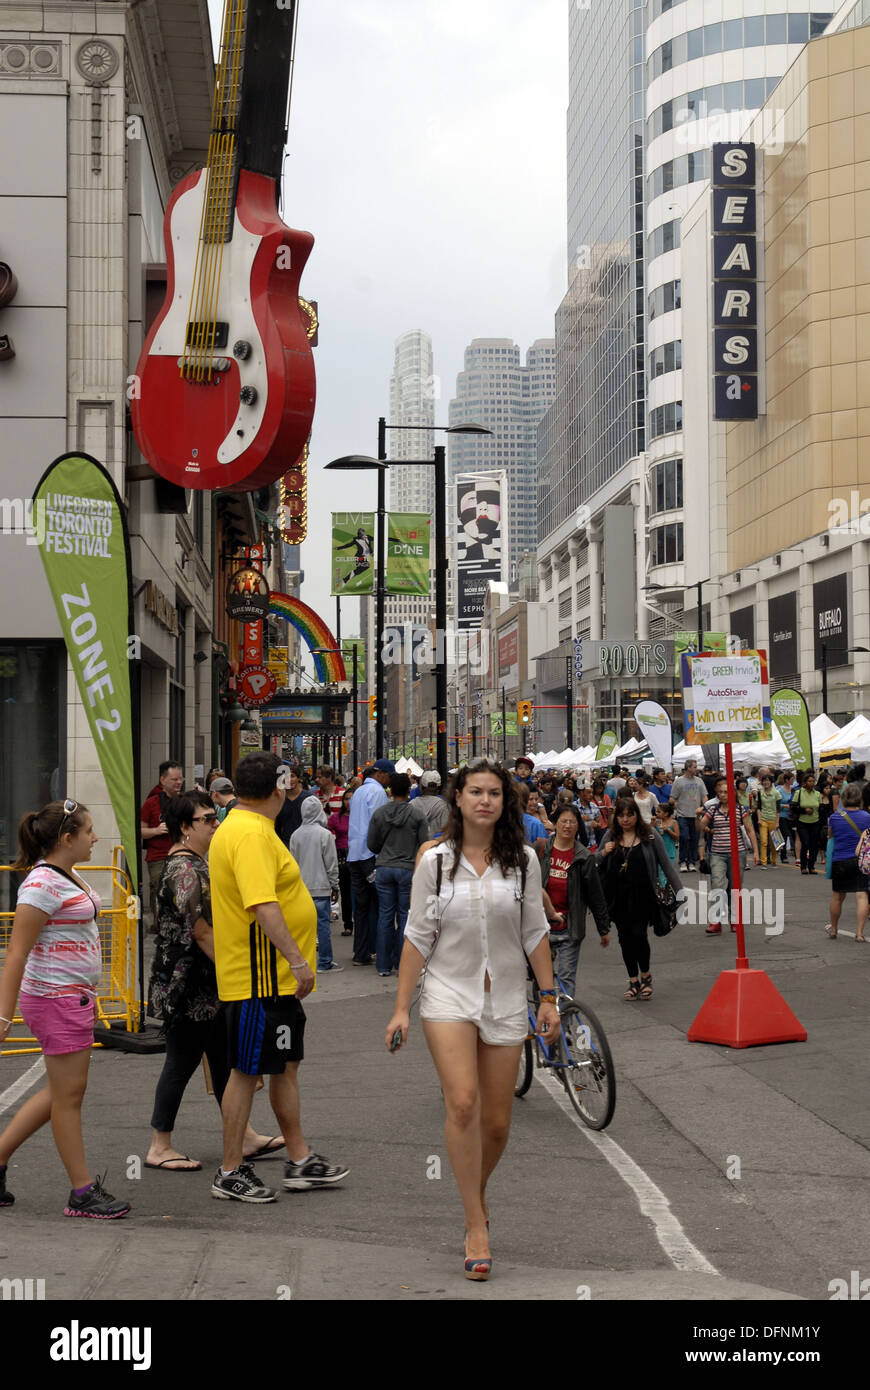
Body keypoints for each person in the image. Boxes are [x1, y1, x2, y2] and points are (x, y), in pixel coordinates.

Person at [386, 758, 559, 1281]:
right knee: (463, 1102)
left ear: (505, 803)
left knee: (497, 1124)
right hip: (447, 995)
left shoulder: (524, 861)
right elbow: (417, 936)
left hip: (505, 997)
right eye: (475, 792)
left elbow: (534, 931)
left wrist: (547, 996)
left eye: (494, 793)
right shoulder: (434, 862)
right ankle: (475, 1221)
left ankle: (473, 1194)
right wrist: (400, 1008)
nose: (485, 800)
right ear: (457, 799)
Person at [208, 751, 349, 1203]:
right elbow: (262, 904)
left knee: (285, 1066)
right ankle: (231, 1169)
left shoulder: (250, 827)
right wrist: (298, 959)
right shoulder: (249, 832)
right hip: (259, 977)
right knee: (247, 1072)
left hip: (270, 978)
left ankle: (299, 1159)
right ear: (279, 787)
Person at [0, 800, 130, 1218]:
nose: (95, 838)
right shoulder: (41, 885)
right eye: (89, 831)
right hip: (54, 998)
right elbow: (16, 952)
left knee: (60, 1093)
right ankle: (81, 1191)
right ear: (67, 838)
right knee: (69, 1097)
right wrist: (3, 1016)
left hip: (70, 997)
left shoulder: (65, 874)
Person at [146, 792, 285, 1170]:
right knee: (182, 1062)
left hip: (204, 980)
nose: (216, 823)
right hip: (190, 982)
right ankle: (160, 1145)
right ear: (185, 827)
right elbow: (202, 932)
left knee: (224, 1061)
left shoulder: (193, 863)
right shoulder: (184, 870)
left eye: (215, 816)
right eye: (207, 819)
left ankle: (245, 1136)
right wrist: (234, 970)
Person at [598, 797, 682, 1000]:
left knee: (639, 935)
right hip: (617, 898)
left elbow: (665, 864)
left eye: (630, 815)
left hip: (643, 896)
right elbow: (595, 863)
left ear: (637, 815)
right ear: (616, 817)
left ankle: (646, 975)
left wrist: (680, 892)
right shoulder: (610, 835)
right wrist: (603, 852)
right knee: (624, 939)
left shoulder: (650, 835)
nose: (625, 819)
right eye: (621, 815)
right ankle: (633, 980)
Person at [539, 804, 611, 1000]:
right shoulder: (543, 849)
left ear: (578, 826)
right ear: (555, 824)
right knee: (541, 982)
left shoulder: (583, 857)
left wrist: (603, 929)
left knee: (566, 979)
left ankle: (565, 1028)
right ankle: (544, 1026)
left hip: (569, 927)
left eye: (572, 822)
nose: (568, 826)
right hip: (541, 927)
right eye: (563, 821)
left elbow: (595, 896)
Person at [367, 773, 429, 977]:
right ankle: (403, 963)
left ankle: (383, 965)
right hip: (407, 868)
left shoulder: (379, 813)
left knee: (385, 914)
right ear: (409, 791)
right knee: (405, 915)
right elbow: (424, 844)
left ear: (390, 791)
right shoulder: (417, 815)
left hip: (384, 866)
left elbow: (372, 844)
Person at [698, 776, 760, 932]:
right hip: (717, 853)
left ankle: (734, 920)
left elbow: (750, 830)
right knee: (717, 884)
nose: (723, 795)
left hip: (737, 853)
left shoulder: (740, 810)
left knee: (734, 887)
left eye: (726, 792)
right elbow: (700, 826)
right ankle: (716, 921)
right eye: (720, 792)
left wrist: (757, 852)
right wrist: (698, 816)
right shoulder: (712, 809)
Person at [347, 760, 394, 965]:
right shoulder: (377, 793)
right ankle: (387, 954)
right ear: (381, 774)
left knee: (362, 907)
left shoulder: (358, 791)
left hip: (354, 855)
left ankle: (361, 952)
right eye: (389, 776)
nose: (390, 780)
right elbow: (379, 823)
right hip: (370, 855)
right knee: (384, 904)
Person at [289, 799, 342, 972]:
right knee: (323, 926)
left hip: (302, 888)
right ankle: (324, 962)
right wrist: (335, 885)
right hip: (321, 886)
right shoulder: (324, 834)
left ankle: (304, 962)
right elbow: (331, 863)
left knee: (304, 928)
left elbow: (293, 863)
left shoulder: (295, 835)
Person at [140, 760, 184, 924]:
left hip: (181, 854)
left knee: (180, 891)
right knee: (159, 890)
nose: (178, 782)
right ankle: (160, 924)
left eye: (181, 779)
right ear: (162, 780)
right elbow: (140, 831)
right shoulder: (151, 803)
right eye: (174, 779)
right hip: (158, 856)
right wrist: (156, 830)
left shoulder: (184, 802)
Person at [825, 783, 870, 942]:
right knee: (862, 895)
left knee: (837, 895)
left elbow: (830, 835)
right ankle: (859, 933)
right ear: (859, 798)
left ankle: (834, 929)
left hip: (840, 860)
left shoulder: (835, 817)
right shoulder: (866, 817)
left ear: (843, 798)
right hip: (861, 860)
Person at [671, 759, 707, 872]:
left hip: (696, 816)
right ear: (688, 768)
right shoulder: (679, 781)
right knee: (685, 837)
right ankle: (682, 861)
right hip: (682, 815)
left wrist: (707, 807)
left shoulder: (699, 781)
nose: (697, 769)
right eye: (695, 767)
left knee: (694, 839)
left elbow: (704, 796)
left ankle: (691, 862)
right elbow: (672, 798)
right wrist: (675, 806)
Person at [328, 787, 354, 936]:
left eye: (351, 798)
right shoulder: (336, 817)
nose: (348, 802)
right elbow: (325, 830)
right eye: (346, 799)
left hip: (357, 857)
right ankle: (347, 924)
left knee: (357, 893)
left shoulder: (360, 817)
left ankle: (359, 921)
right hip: (342, 857)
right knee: (345, 891)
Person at [274, 764, 317, 845]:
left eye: (292, 776)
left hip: (306, 843)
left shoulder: (309, 799)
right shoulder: (278, 800)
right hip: (285, 844)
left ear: (298, 778)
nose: (289, 780)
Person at [793, 770, 822, 874]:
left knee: (814, 845)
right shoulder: (799, 792)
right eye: (809, 781)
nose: (812, 783)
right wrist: (804, 810)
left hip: (815, 822)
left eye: (813, 781)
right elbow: (793, 807)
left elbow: (821, 808)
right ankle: (803, 866)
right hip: (802, 822)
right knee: (805, 843)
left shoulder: (817, 794)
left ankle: (812, 866)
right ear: (805, 782)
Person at [756, 773, 782, 868]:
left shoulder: (776, 793)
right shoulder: (760, 792)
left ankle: (774, 860)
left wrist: (777, 822)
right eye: (764, 780)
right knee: (763, 841)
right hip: (763, 819)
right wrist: (759, 819)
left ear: (771, 782)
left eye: (768, 780)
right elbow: (758, 807)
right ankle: (764, 862)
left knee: (773, 842)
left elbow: (778, 809)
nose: (766, 782)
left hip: (773, 819)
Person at [517, 781, 552, 849]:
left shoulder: (539, 821)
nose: (534, 802)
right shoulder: (535, 823)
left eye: (536, 799)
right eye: (530, 799)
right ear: (521, 800)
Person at [416, 770, 450, 838]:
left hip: (418, 847)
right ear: (438, 788)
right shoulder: (444, 806)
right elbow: (447, 832)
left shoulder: (412, 804)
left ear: (421, 786)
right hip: (436, 846)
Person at [655, 801, 680, 882]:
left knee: (668, 873)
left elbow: (677, 837)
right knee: (659, 872)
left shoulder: (674, 822)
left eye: (659, 811)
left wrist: (668, 830)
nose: (656, 813)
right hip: (659, 852)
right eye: (656, 811)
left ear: (666, 814)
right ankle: (662, 889)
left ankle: (667, 889)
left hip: (669, 851)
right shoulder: (657, 822)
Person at [777, 771, 796, 863]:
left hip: (792, 816)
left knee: (794, 835)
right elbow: (777, 804)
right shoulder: (780, 790)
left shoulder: (793, 790)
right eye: (792, 779)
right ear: (786, 780)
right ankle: (783, 855)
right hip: (783, 816)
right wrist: (785, 806)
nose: (793, 781)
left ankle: (798, 855)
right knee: (784, 836)